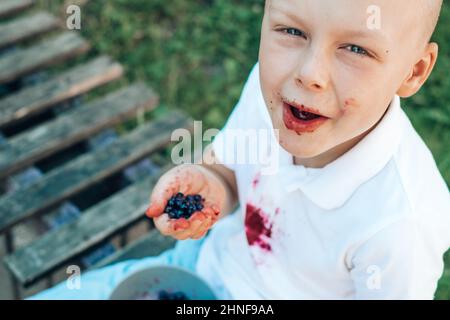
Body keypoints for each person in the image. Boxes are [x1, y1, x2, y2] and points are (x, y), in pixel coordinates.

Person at [32, 0, 449, 300]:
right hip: (199, 264)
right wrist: (209, 183)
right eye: (292, 31)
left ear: (413, 71)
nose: (308, 73)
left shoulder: (401, 223)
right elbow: (226, 169)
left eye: (356, 49)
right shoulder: (274, 95)